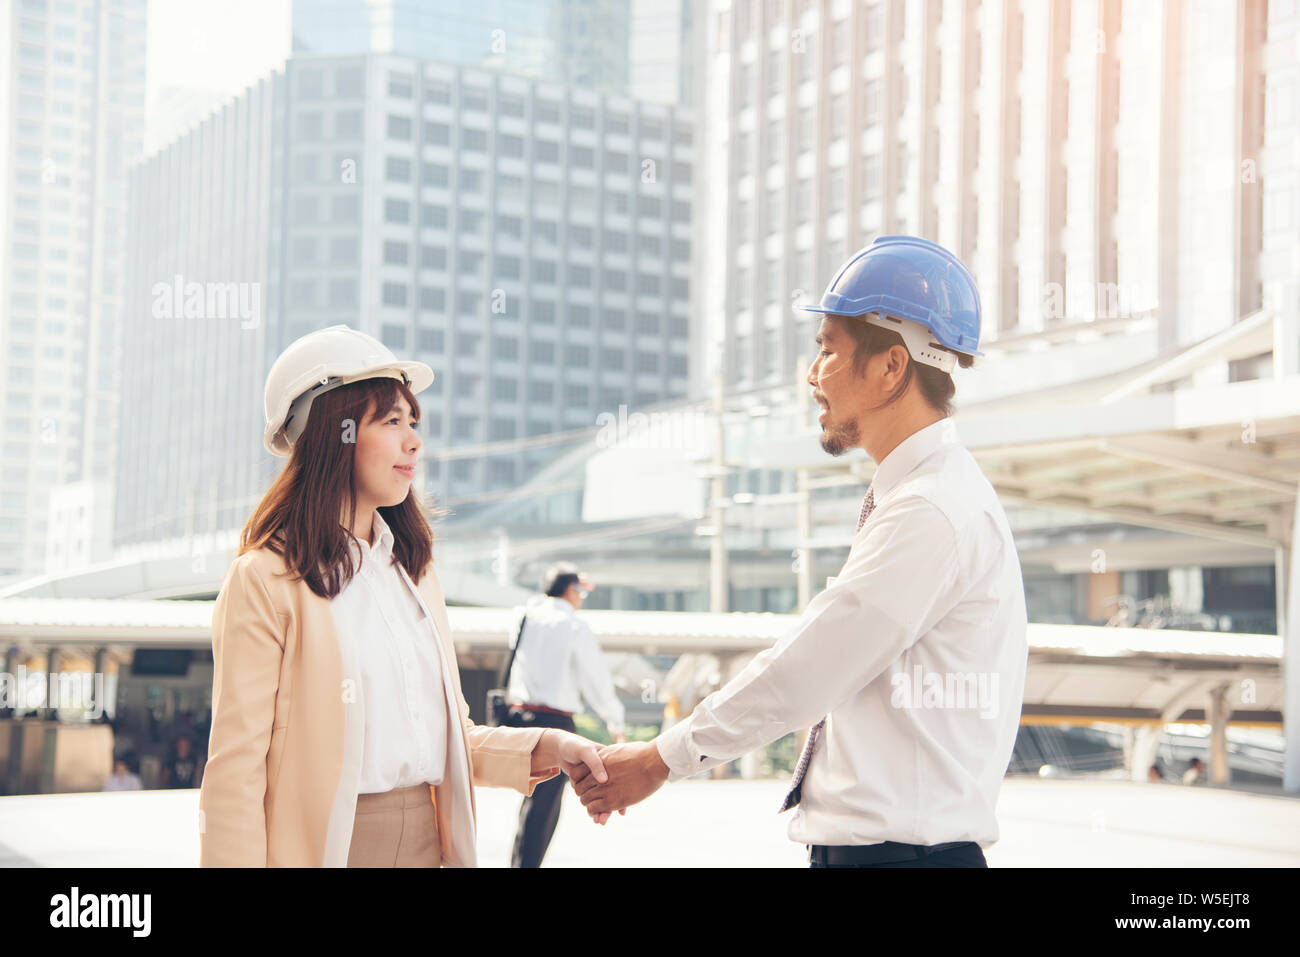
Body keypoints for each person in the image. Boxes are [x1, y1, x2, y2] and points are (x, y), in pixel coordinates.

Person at [567, 235, 1029, 868]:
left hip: (900, 859)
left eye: (827, 349)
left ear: (892, 366)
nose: (812, 375)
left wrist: (658, 759)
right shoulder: (926, 494)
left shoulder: (931, 509)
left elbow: (811, 666)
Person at [198, 325, 607, 867]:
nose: (414, 440)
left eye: (413, 421)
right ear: (333, 432)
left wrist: (545, 746)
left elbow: (444, 734)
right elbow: (236, 773)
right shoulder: (265, 580)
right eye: (391, 421)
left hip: (430, 847)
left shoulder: (413, 572)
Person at [505, 563, 627, 867]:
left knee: (531, 803)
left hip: (518, 720)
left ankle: (520, 863)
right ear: (571, 591)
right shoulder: (573, 626)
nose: (582, 598)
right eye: (581, 591)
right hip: (555, 723)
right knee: (544, 807)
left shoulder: (524, 616)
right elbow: (595, 680)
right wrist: (615, 721)